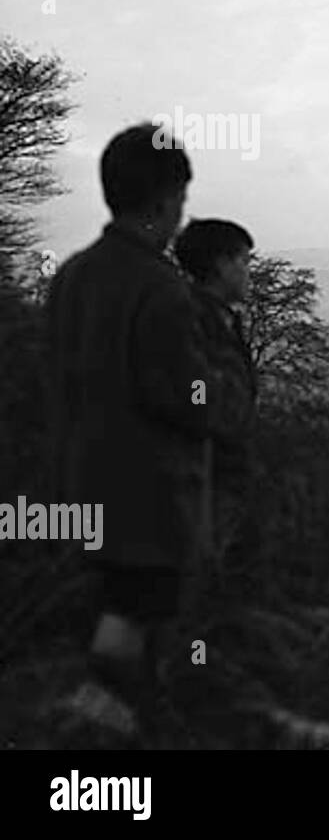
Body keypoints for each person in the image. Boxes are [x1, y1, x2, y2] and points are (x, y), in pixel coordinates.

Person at [45, 122, 215, 742]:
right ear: (168, 199)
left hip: (79, 490)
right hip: (148, 502)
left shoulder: (72, 277)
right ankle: (107, 744)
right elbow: (185, 399)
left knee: (108, 613)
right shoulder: (161, 287)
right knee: (133, 626)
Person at [173, 219, 258, 562]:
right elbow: (194, 400)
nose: (248, 272)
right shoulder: (191, 319)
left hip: (223, 475)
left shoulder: (221, 318)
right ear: (222, 265)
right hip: (204, 477)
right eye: (244, 261)